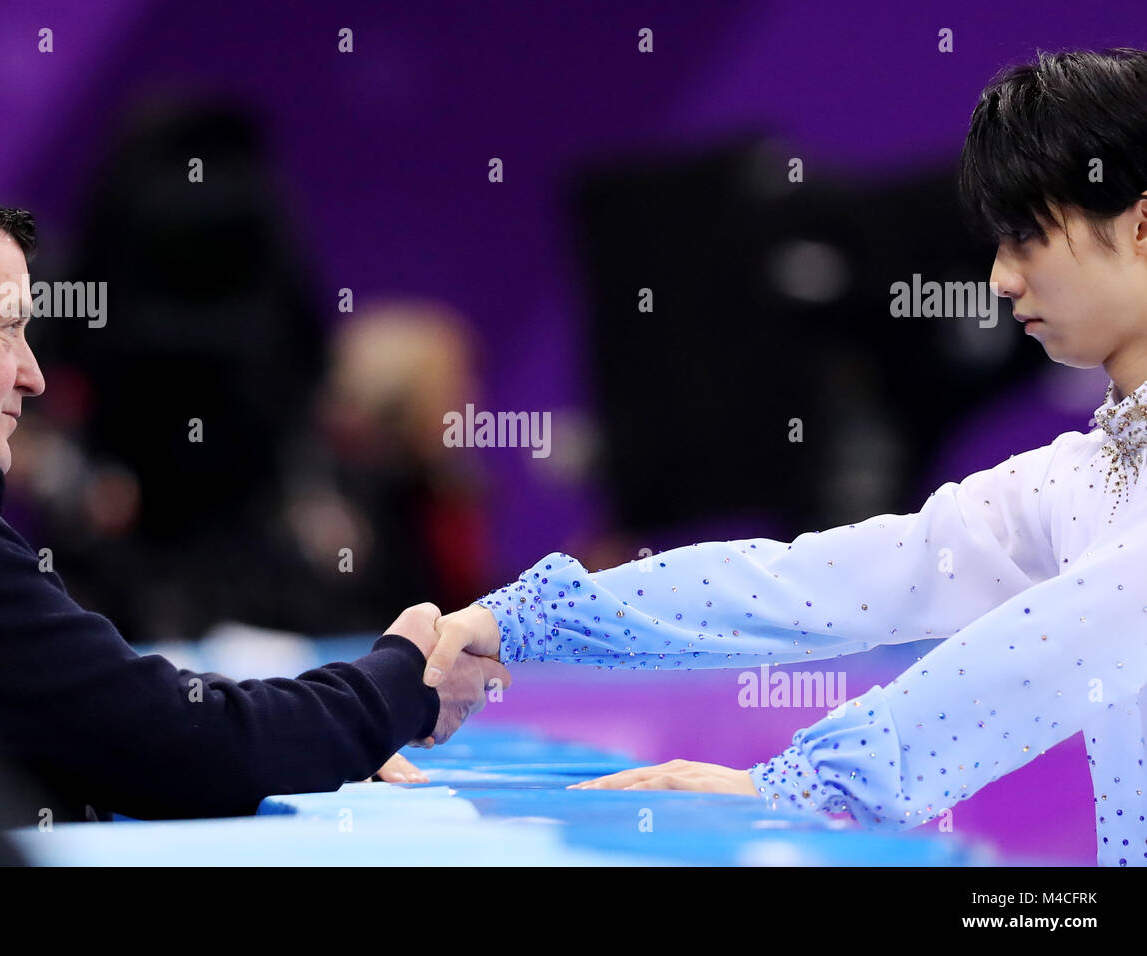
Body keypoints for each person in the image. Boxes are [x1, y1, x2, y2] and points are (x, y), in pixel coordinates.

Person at [424, 47, 1147, 866]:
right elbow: (824, 579)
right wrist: (520, 619)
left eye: (1026, 238)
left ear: (1141, 225)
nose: (999, 278)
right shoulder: (1084, 476)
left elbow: (1057, 643)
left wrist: (804, 784)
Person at [0, 163, 509, 825]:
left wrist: (309, 738)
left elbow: (83, 718)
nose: (34, 375)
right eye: (8, 327)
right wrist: (400, 685)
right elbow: (179, 747)